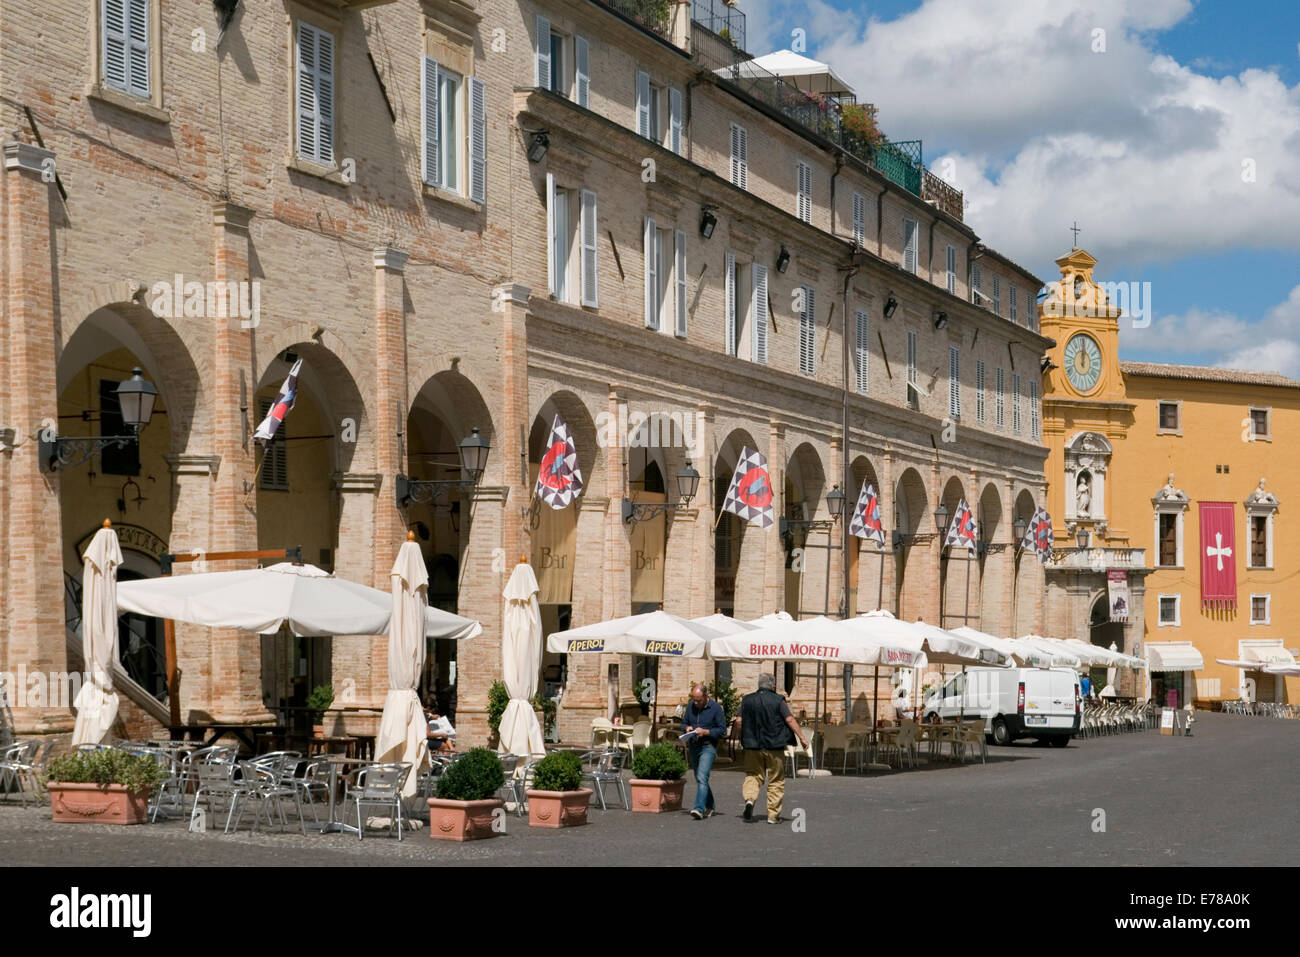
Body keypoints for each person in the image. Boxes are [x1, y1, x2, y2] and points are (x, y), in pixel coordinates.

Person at [734, 673, 808, 824]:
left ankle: (749, 800)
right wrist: (802, 737)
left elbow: (739, 721)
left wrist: (742, 735)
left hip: (752, 745)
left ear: (759, 684)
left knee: (753, 775)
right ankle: (773, 816)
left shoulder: (747, 700)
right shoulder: (778, 700)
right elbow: (789, 719)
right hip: (774, 745)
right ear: (773, 685)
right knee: (776, 780)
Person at [682, 682, 726, 820]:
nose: (696, 703)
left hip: (708, 746)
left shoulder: (716, 708)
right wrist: (687, 728)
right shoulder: (690, 706)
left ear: (706, 696)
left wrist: (706, 732)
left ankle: (699, 808)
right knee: (700, 778)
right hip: (694, 745)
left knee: (702, 776)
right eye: (694, 699)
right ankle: (711, 805)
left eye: (698, 700)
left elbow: (722, 730)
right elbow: (684, 722)